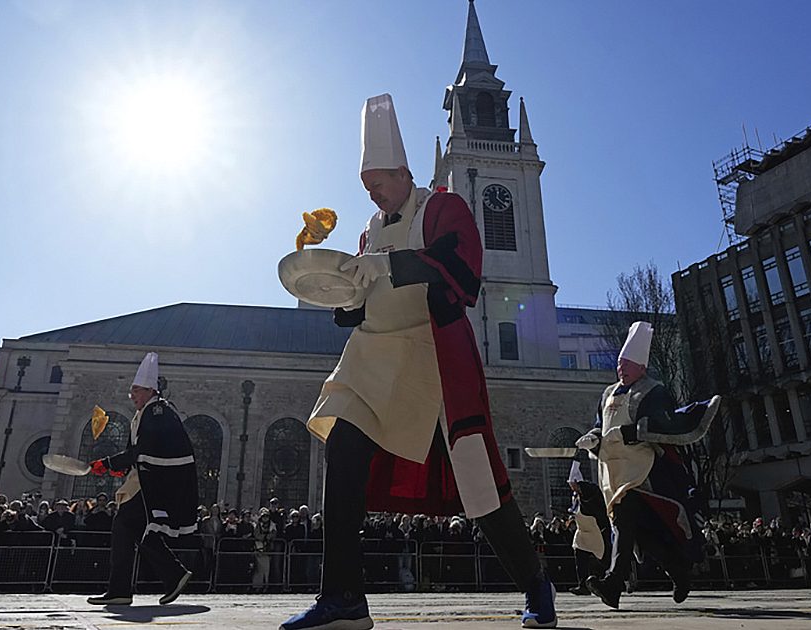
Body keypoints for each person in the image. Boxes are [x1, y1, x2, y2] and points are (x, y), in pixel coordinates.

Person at [281, 93, 555, 630]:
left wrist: (386, 266)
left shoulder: (445, 207)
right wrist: (343, 294)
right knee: (342, 451)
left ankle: (536, 584)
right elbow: (362, 304)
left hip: (432, 361)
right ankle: (344, 598)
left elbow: (461, 269)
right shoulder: (368, 229)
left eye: (377, 181)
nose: (372, 192)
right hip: (372, 360)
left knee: (478, 483)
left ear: (404, 173)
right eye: (366, 186)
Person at [577, 321, 721, 610]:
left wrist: (631, 433)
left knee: (626, 521)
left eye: (627, 364)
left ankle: (613, 583)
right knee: (636, 530)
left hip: (645, 471)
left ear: (641, 367)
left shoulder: (654, 391)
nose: (622, 368)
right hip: (615, 473)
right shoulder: (607, 394)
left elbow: (664, 424)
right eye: (619, 363)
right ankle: (677, 571)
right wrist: (593, 438)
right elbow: (600, 425)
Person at [87, 352, 199, 607]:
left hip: (159, 482)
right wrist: (119, 468)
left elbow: (144, 449)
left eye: (136, 390)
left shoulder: (157, 411)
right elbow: (138, 453)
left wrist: (108, 463)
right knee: (132, 530)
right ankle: (171, 576)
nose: (132, 396)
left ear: (149, 390)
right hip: (150, 480)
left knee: (125, 525)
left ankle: (125, 589)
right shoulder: (145, 414)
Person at [566, 461, 609, 596]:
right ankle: (583, 584)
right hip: (582, 530)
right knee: (580, 556)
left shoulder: (589, 492)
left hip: (595, 529)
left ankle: (613, 578)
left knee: (603, 557)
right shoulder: (576, 496)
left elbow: (593, 507)